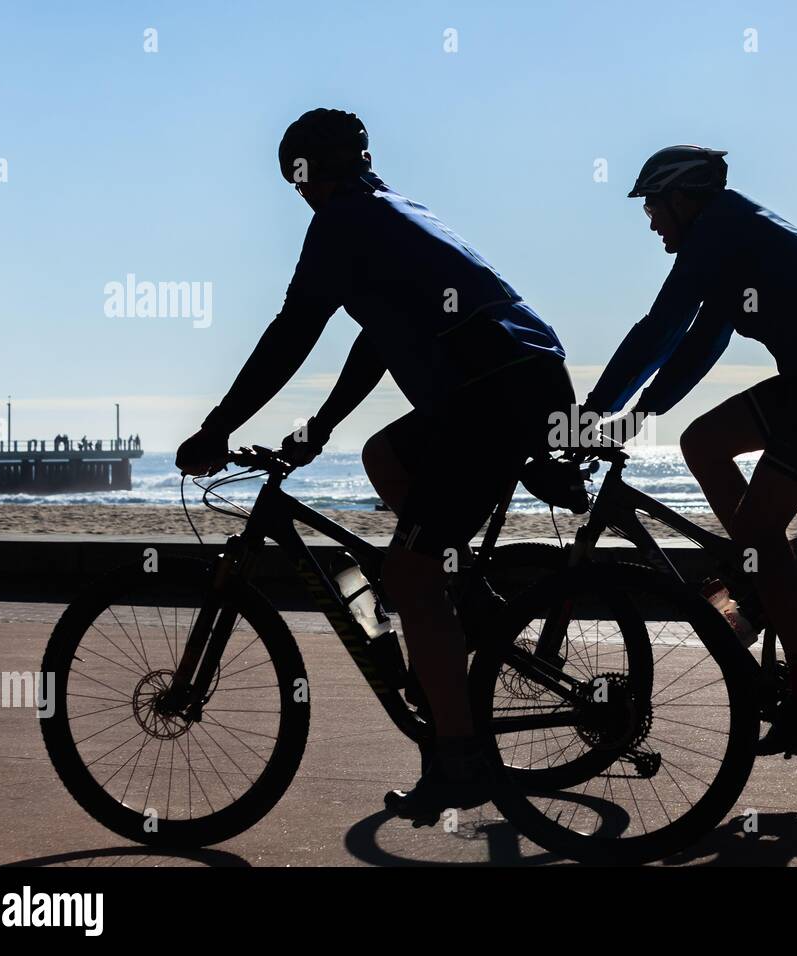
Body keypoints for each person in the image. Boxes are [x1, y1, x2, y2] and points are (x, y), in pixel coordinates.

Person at [175, 108, 573, 816]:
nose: (297, 194)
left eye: (295, 180)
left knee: (408, 574)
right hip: (512, 383)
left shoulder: (345, 221)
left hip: (493, 395)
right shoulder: (390, 214)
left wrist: (217, 426)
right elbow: (379, 342)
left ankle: (460, 764)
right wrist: (320, 428)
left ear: (310, 172)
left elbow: (294, 328)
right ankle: (466, 600)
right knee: (385, 454)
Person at [583, 145, 797, 756]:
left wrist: (596, 412)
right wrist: (638, 414)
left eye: (652, 206)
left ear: (683, 198)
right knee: (701, 442)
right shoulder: (731, 235)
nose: (650, 221)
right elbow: (701, 340)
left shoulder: (720, 231)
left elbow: (662, 326)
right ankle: (758, 573)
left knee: (756, 525)